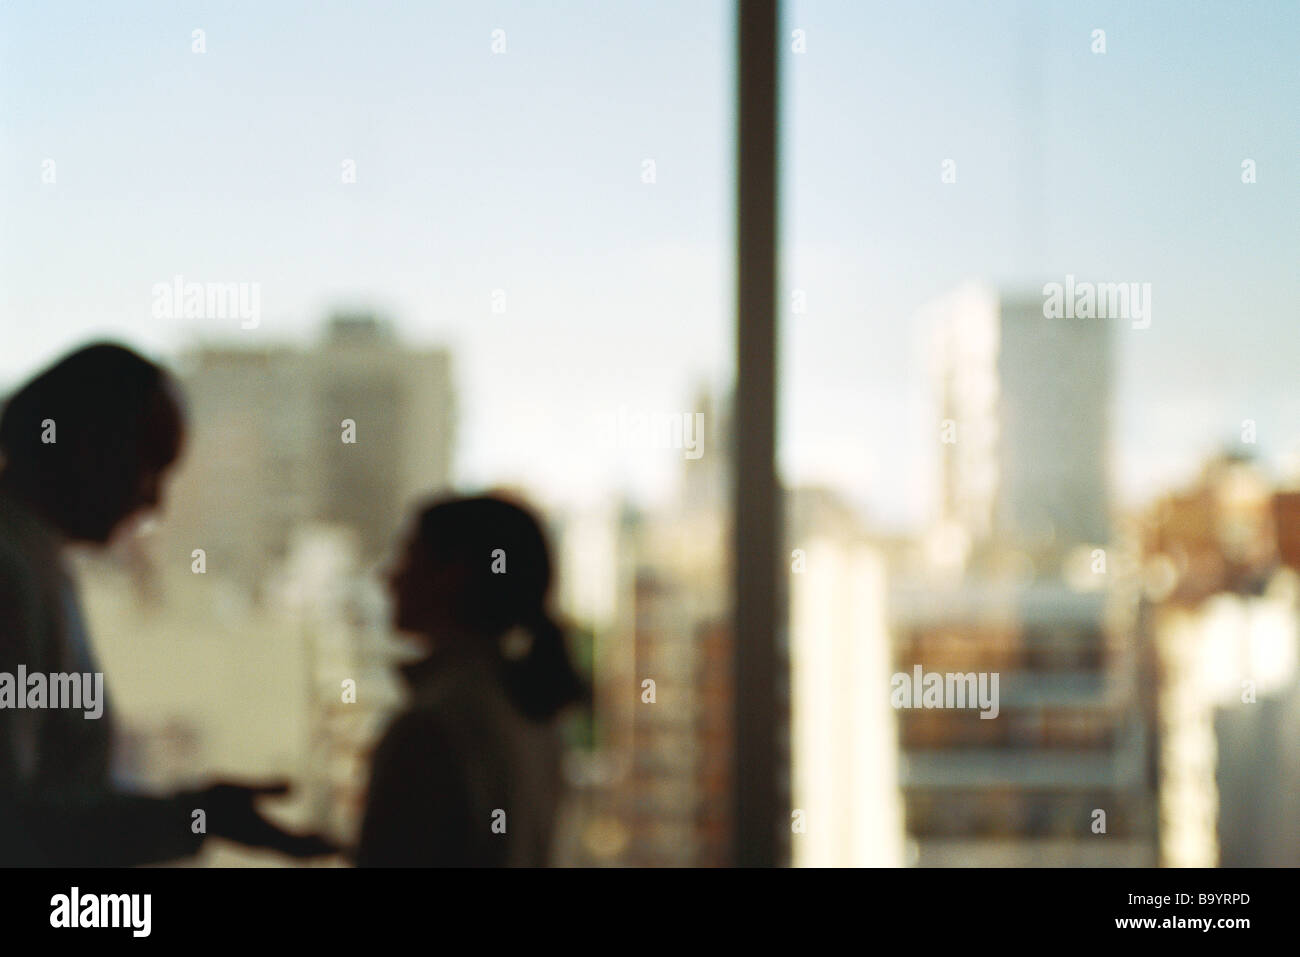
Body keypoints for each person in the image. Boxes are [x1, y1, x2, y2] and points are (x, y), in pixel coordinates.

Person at [0, 342, 333, 865]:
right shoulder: (12, 576)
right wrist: (191, 817)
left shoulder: (41, 568)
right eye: (149, 464)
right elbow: (13, 826)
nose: (154, 501)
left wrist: (191, 816)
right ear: (88, 446)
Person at [356, 494, 588, 867]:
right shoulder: (533, 716)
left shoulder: (429, 727)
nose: (389, 577)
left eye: (409, 556)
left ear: (453, 575)